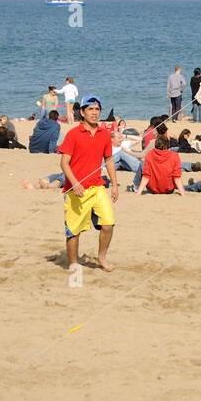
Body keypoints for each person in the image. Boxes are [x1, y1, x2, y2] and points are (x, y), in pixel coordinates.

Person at [57, 95, 118, 273]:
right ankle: (74, 263)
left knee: (108, 224)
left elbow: (109, 160)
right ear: (82, 112)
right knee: (74, 231)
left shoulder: (104, 134)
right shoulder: (73, 134)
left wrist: (114, 184)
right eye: (90, 109)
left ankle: (101, 257)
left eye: (97, 109)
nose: (94, 112)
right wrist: (75, 183)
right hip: (75, 190)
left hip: (98, 187)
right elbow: (64, 163)